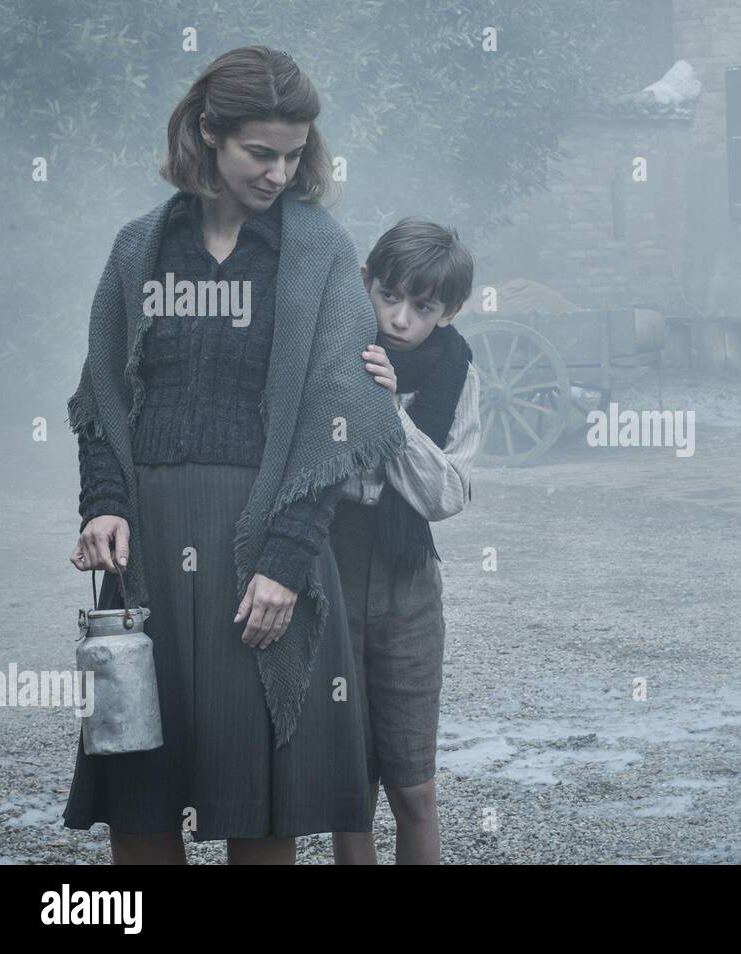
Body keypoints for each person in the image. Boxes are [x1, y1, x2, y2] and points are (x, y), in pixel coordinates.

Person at [63, 46, 405, 864]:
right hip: (145, 549)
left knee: (260, 813)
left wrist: (286, 563)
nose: (280, 171)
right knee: (141, 799)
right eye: (261, 152)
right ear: (209, 133)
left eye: (295, 154)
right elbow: (104, 399)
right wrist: (103, 503)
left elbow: (340, 428)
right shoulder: (141, 248)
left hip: (264, 551)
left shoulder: (317, 252)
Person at [329, 219, 480, 864]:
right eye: (389, 296)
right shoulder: (334, 350)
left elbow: (444, 495)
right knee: (347, 786)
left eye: (421, 307)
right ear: (366, 283)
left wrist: (389, 413)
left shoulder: (457, 371)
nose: (399, 318)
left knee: (413, 786)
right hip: (330, 563)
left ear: (448, 313)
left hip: (407, 575)